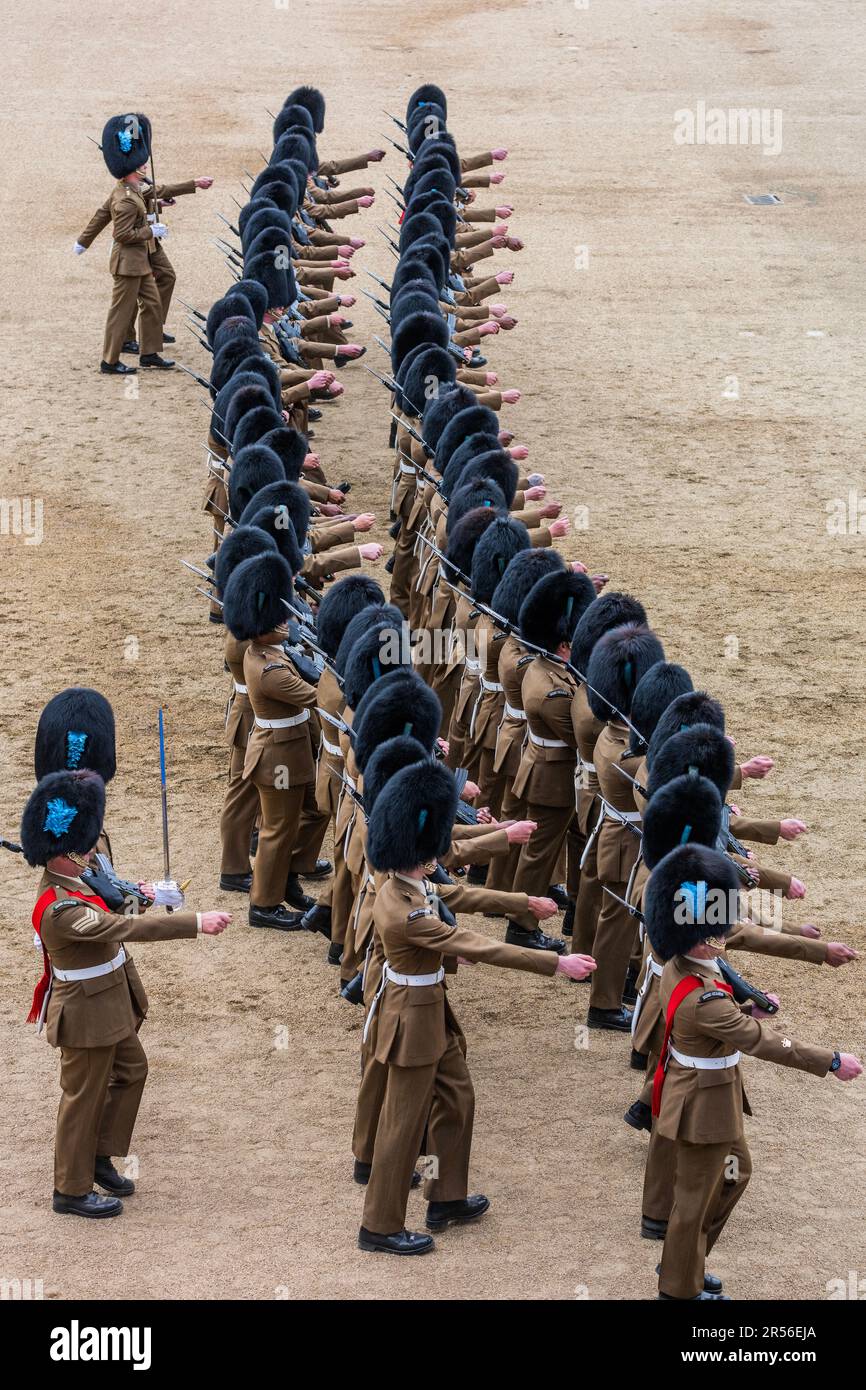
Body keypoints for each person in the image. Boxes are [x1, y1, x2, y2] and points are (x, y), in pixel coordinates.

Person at [356, 754, 595, 1254]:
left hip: (431, 1015)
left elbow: (455, 891)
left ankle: (446, 1196)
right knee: (402, 1126)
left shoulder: (407, 882)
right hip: (410, 1021)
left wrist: (520, 903)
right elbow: (476, 945)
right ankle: (379, 1225)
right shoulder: (403, 909)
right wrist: (554, 964)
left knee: (459, 1098)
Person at [644, 843, 862, 1300]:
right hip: (703, 1105)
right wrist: (831, 1060)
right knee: (696, 1199)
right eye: (715, 934)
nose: (722, 938)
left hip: (710, 1094)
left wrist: (744, 1007)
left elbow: (729, 1017)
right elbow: (763, 1042)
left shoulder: (686, 966)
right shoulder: (703, 996)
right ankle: (679, 1286)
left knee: (734, 1174)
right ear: (701, 938)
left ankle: (688, 1259)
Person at [20, 769, 230, 1218]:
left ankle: (98, 1156)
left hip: (110, 1000)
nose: (91, 853)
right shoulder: (60, 908)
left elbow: (118, 899)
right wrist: (194, 922)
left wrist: (146, 892)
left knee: (132, 1071)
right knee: (82, 1099)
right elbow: (123, 927)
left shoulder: (80, 878)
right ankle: (70, 1189)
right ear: (63, 855)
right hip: (84, 1013)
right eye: (83, 848)